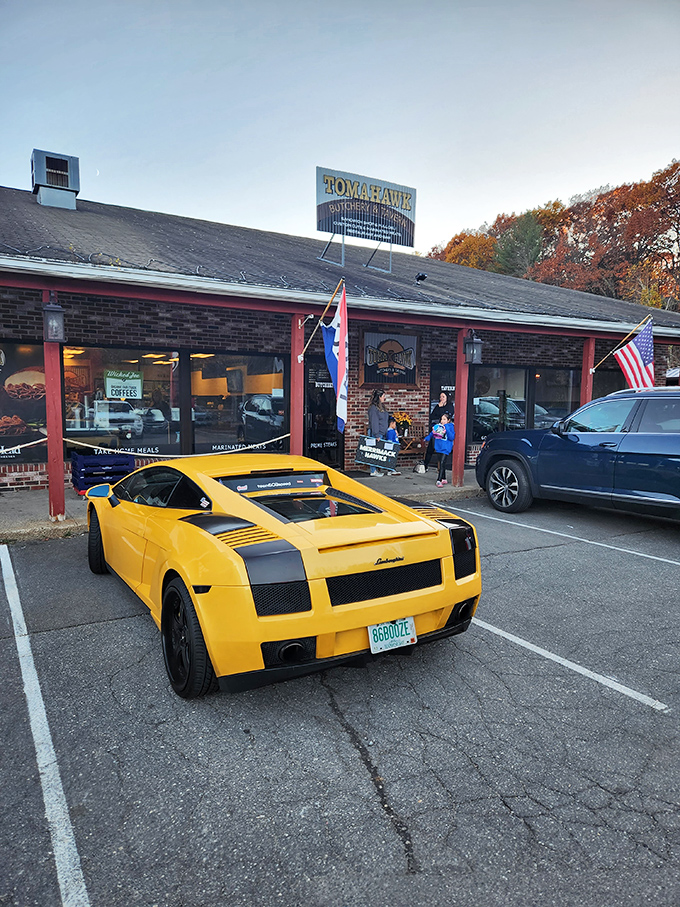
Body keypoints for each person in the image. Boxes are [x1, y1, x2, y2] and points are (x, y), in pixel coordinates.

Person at [423, 412, 455, 487]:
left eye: (444, 419)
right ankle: (444, 478)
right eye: (441, 419)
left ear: (448, 420)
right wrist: (427, 438)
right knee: (441, 462)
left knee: (442, 463)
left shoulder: (450, 427)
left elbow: (451, 437)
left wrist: (446, 428)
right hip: (438, 447)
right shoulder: (438, 426)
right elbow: (432, 434)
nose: (442, 421)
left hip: (446, 447)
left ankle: (439, 480)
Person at [424, 392, 449, 471]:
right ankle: (425, 465)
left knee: (441, 450)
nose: (441, 398)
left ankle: (441, 468)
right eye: (440, 396)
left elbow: (445, 417)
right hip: (436, 429)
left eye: (443, 397)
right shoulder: (437, 406)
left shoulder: (449, 406)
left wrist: (441, 408)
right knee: (430, 447)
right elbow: (432, 416)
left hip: (444, 432)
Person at [367, 389, 389, 476]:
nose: (385, 398)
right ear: (379, 397)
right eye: (383, 396)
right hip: (376, 433)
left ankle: (376, 470)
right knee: (374, 452)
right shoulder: (373, 408)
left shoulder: (381, 407)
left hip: (382, 432)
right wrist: (376, 434)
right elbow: (374, 421)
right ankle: (373, 471)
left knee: (378, 452)